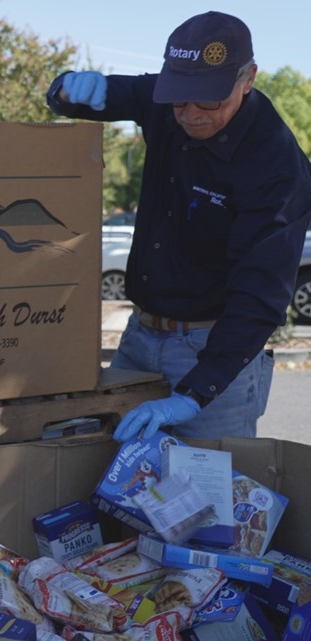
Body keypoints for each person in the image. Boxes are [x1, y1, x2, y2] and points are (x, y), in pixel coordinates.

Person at [47, 11, 311, 442]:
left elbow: (260, 294)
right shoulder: (170, 98)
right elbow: (90, 94)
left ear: (248, 80)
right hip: (138, 338)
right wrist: (66, 90)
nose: (190, 114)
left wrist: (193, 394)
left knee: (206, 494)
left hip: (213, 352)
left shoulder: (278, 167)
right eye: (178, 100)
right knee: (115, 482)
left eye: (209, 101)